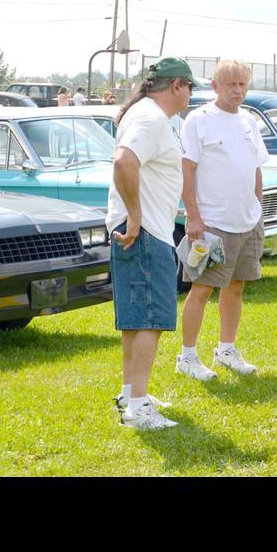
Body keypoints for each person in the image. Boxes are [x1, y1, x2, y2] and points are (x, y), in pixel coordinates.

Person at [106, 57, 197, 429]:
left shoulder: (148, 114)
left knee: (135, 316)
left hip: (142, 229)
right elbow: (124, 161)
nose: (192, 95)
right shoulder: (152, 118)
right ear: (177, 86)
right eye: (190, 87)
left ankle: (132, 393)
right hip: (147, 232)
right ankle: (139, 407)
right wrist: (137, 216)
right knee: (151, 317)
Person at [175, 59, 268, 383]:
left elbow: (256, 166)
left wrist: (256, 206)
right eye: (230, 84)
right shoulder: (198, 120)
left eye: (242, 84)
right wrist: (194, 216)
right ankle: (187, 356)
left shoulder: (248, 120)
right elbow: (186, 169)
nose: (237, 91)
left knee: (236, 287)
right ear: (215, 86)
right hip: (213, 223)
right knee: (202, 289)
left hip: (246, 221)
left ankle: (226, 349)